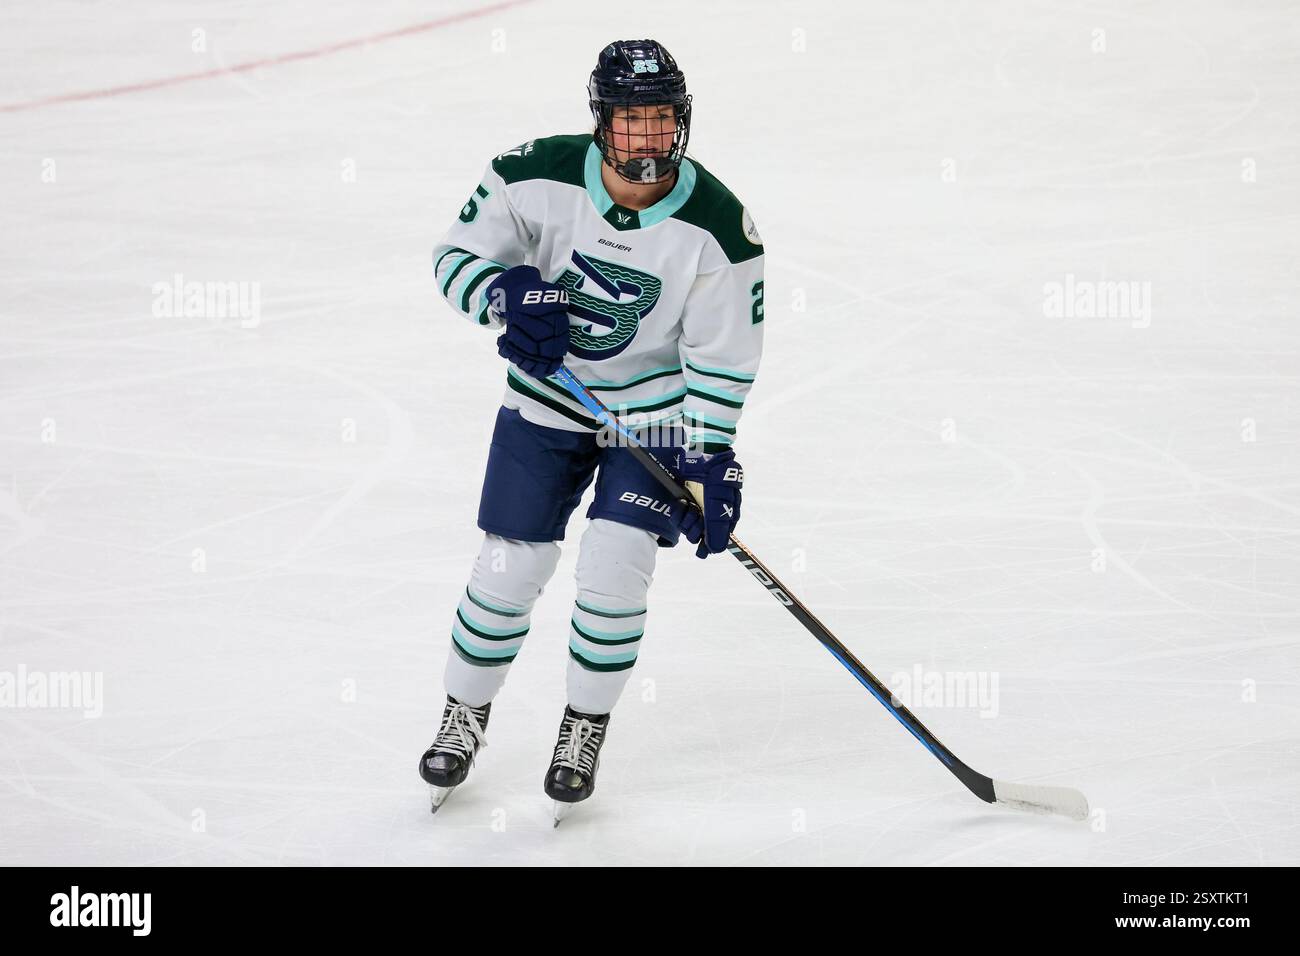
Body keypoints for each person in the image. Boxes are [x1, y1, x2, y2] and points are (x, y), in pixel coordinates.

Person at [420, 38, 765, 823]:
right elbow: (453, 258)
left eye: (659, 119)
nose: (646, 138)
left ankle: (583, 726)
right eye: (629, 119)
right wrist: (506, 293)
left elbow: (722, 357)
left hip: (648, 421)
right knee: (507, 570)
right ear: (601, 121)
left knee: (612, 576)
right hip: (546, 408)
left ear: (680, 122)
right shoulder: (530, 173)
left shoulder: (720, 229)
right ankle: (463, 715)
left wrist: (710, 457)